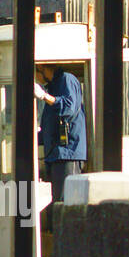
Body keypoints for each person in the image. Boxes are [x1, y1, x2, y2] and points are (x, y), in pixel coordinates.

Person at [34, 63, 86, 202]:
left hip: (68, 153)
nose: (37, 79)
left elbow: (69, 107)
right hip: (54, 154)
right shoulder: (53, 86)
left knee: (68, 200)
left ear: (43, 69)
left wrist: (45, 96)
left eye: (36, 74)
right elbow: (49, 127)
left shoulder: (67, 79)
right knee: (58, 201)